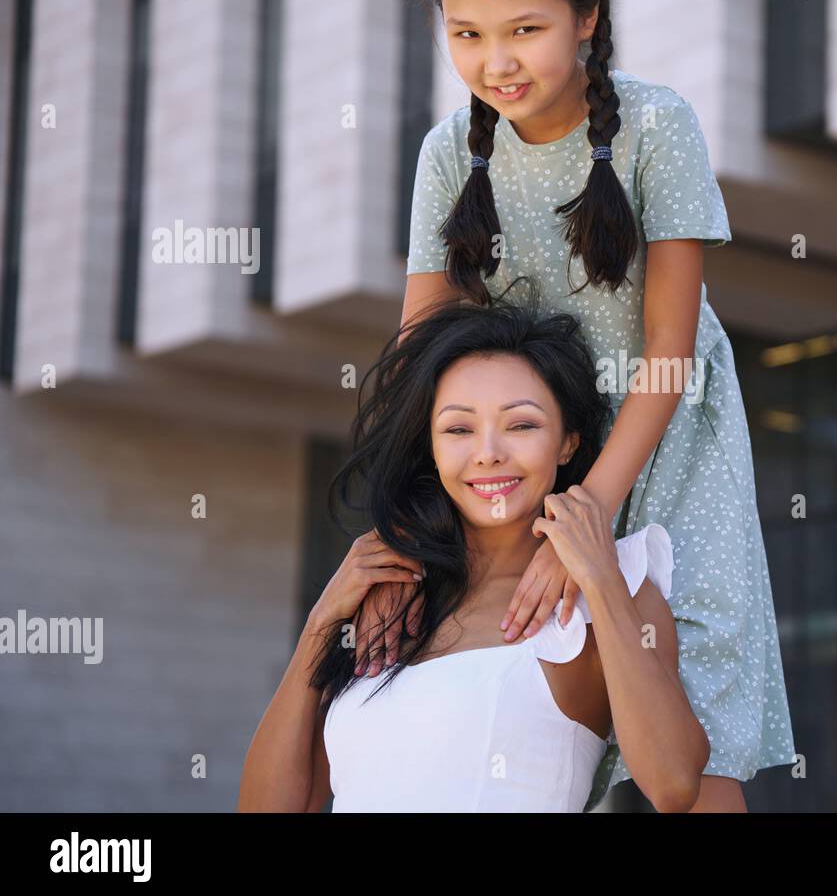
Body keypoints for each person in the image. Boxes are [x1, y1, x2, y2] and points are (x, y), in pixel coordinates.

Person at [359, 0, 797, 812]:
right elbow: (420, 357)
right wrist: (403, 536)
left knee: (695, 737)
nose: (496, 61)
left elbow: (670, 349)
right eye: (467, 34)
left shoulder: (657, 124)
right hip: (540, 459)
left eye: (525, 30)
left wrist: (588, 517)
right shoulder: (448, 153)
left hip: (670, 450)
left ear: (587, 18)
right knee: (550, 726)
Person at [239, 294, 709, 812]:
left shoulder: (610, 591)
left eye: (522, 425)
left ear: (568, 442)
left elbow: (674, 785)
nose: (488, 453)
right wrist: (321, 624)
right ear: (431, 447)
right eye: (459, 429)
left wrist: (599, 575)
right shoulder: (389, 604)